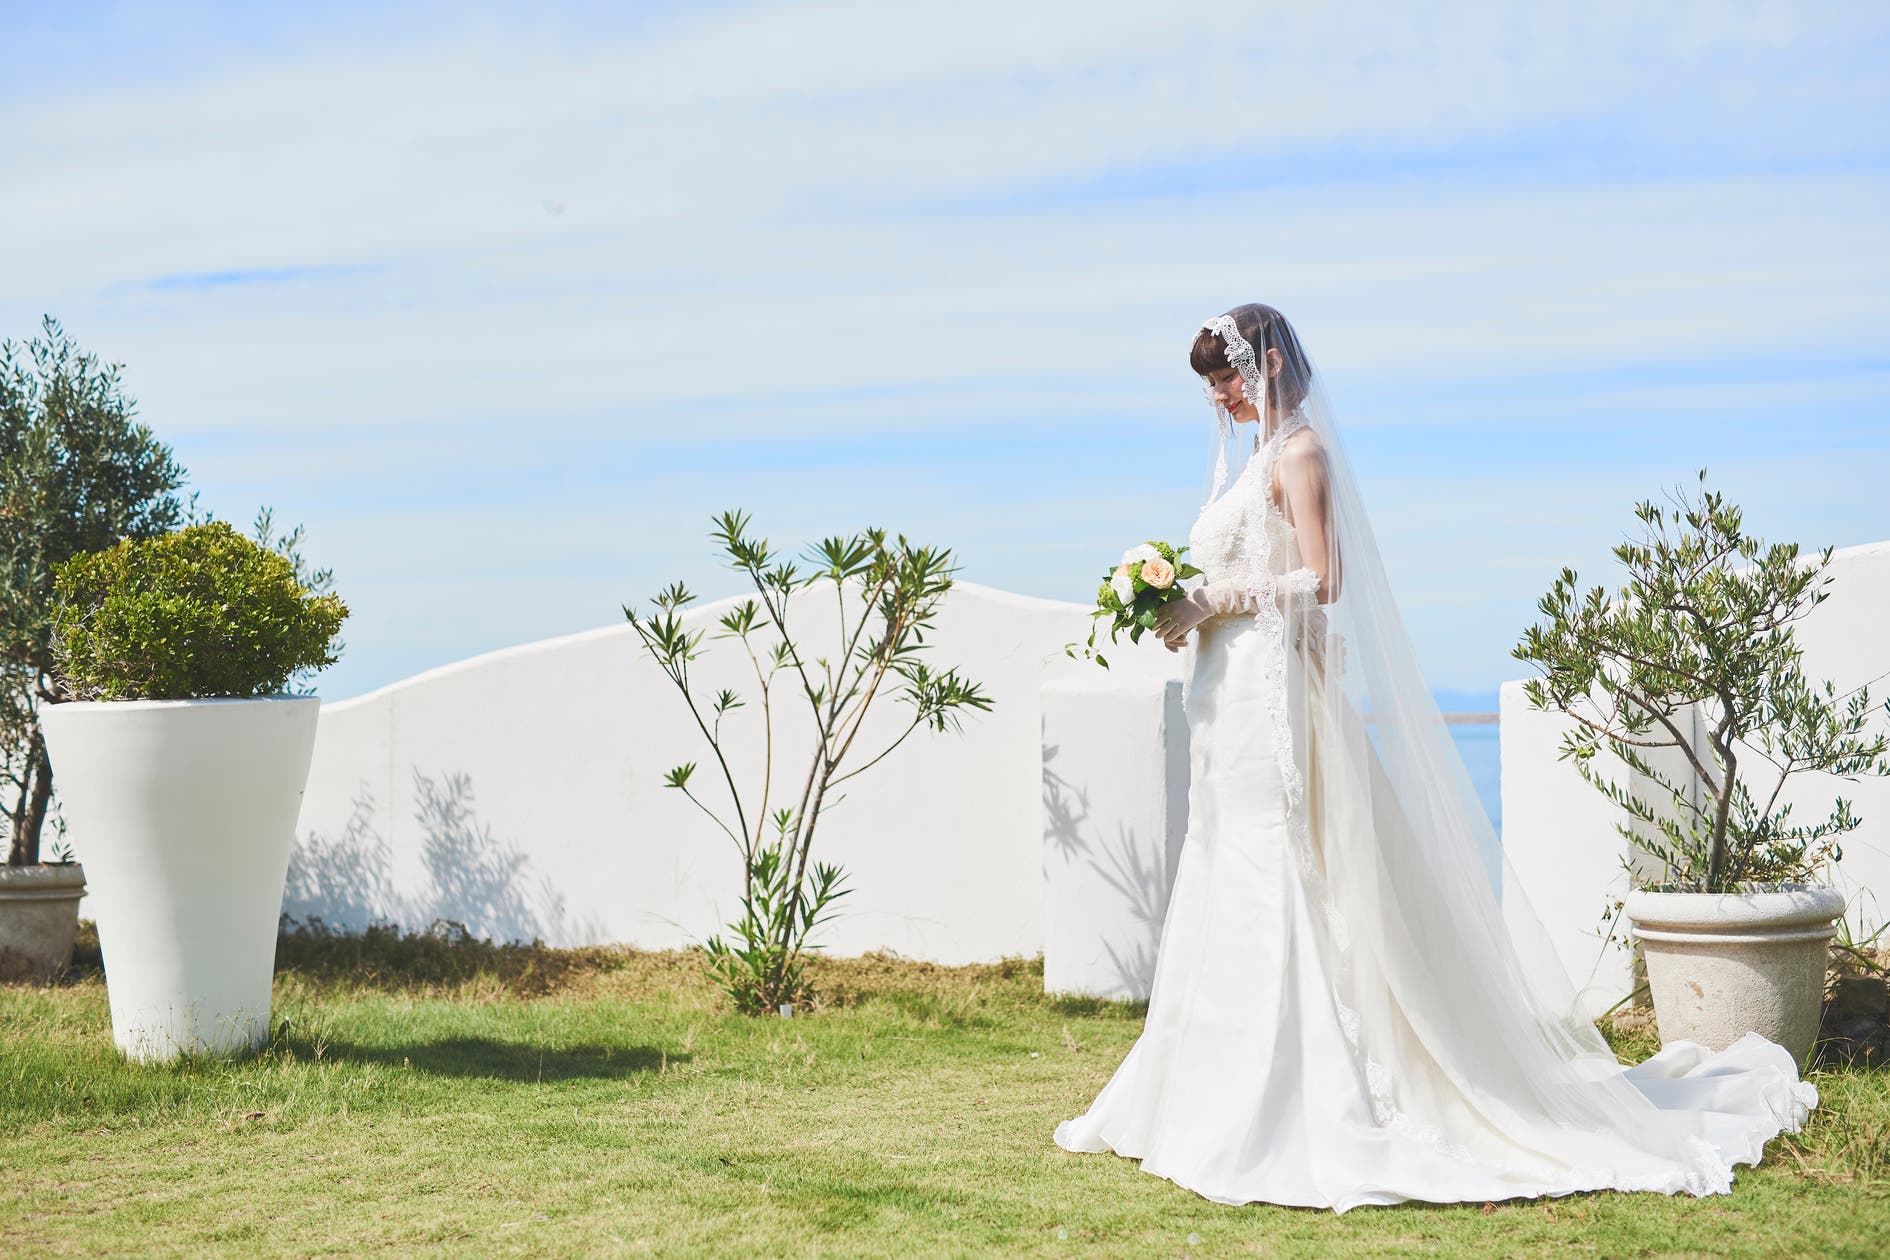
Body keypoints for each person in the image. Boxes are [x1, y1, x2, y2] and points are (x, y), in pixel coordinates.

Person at [1051, 302, 1818, 1212]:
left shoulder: (1299, 454)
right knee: (1223, 855)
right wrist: (1178, 607)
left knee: (1280, 860)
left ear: (1263, 368)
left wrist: (1214, 595)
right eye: (1211, 382)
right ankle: (1203, 1091)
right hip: (1227, 693)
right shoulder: (1253, 460)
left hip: (1272, 698)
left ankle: (1303, 1090)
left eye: (1226, 376)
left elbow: (1323, 581)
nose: (1218, 395)